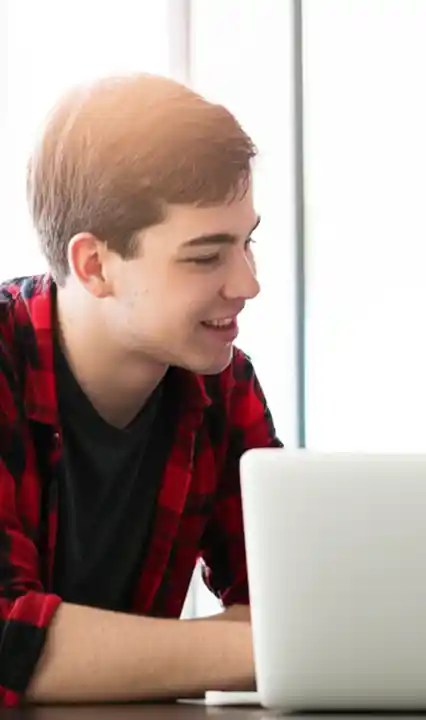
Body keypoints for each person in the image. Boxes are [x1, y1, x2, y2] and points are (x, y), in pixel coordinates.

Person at [0, 74, 281, 705]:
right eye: (207, 256)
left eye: (248, 242)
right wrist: (268, 646)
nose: (248, 283)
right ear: (94, 265)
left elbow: (290, 596)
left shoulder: (222, 384)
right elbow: (6, 642)